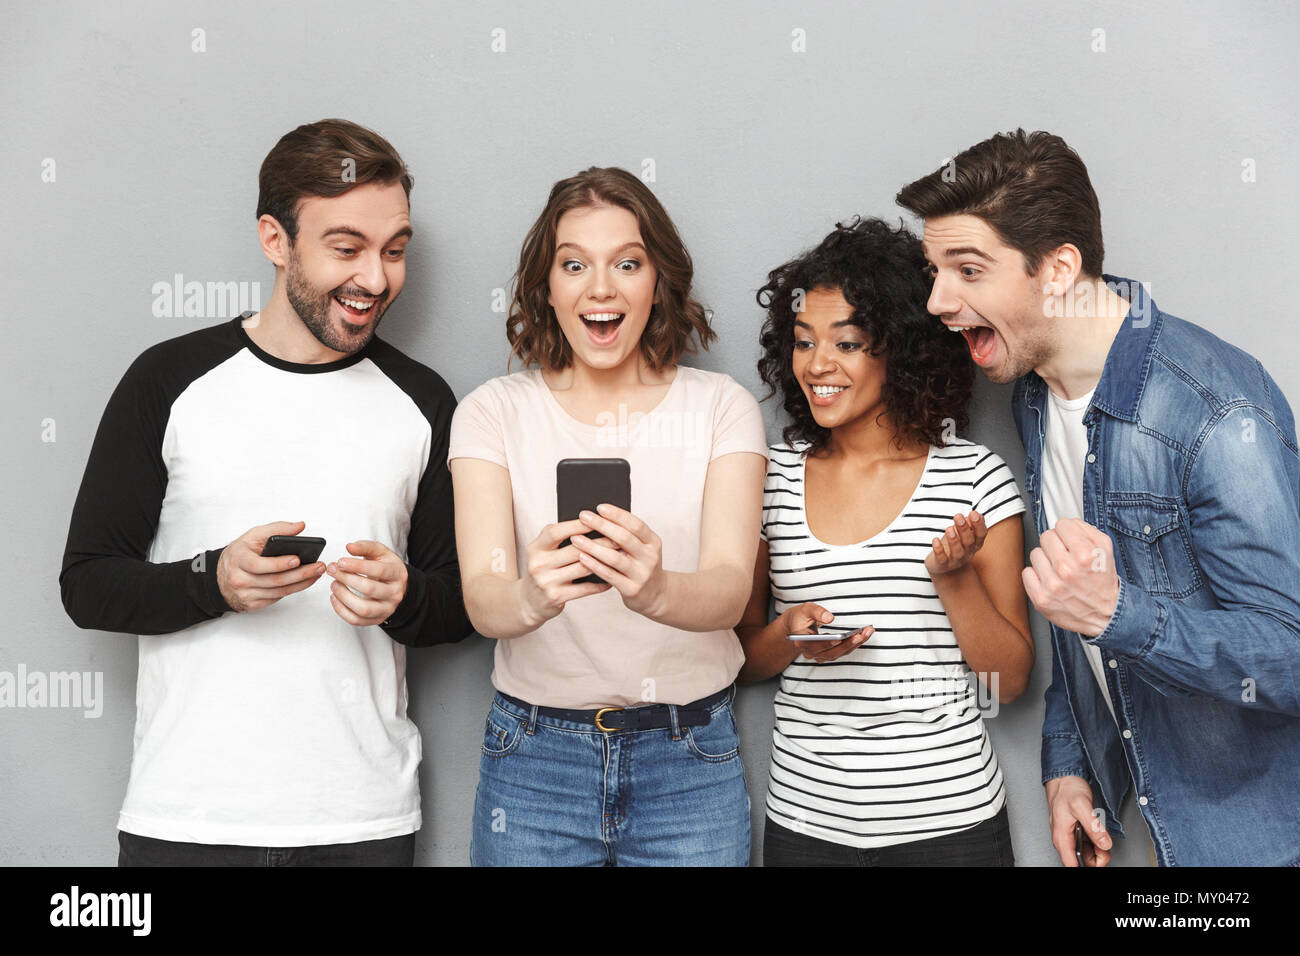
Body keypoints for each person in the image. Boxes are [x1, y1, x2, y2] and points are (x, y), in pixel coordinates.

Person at [59, 118, 474, 867]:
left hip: (362, 822)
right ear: (275, 241)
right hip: (188, 819)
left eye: (394, 250)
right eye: (346, 248)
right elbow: (87, 585)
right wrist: (210, 579)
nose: (375, 279)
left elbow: (461, 604)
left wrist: (406, 597)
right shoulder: (167, 379)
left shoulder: (425, 400)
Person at [897, 129, 1300, 867]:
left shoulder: (1216, 415)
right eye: (934, 270)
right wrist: (1069, 764)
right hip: (1148, 832)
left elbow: (1292, 656)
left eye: (968, 269)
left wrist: (1125, 615)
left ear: (1058, 269)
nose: (937, 300)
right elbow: (1071, 614)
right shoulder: (1036, 393)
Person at [448, 166, 768, 866]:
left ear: (658, 281)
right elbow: (483, 599)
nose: (601, 287)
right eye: (574, 265)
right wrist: (532, 596)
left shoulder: (721, 408)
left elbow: (727, 587)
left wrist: (654, 589)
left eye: (627, 263)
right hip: (534, 759)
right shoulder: (491, 413)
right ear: (548, 287)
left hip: (689, 757)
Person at [736, 216, 1034, 866]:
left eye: (846, 344)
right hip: (805, 823)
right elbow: (738, 660)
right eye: (804, 341)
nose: (818, 365)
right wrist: (788, 635)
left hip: (951, 824)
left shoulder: (974, 476)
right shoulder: (772, 478)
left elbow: (1007, 682)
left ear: (900, 349)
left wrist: (954, 581)